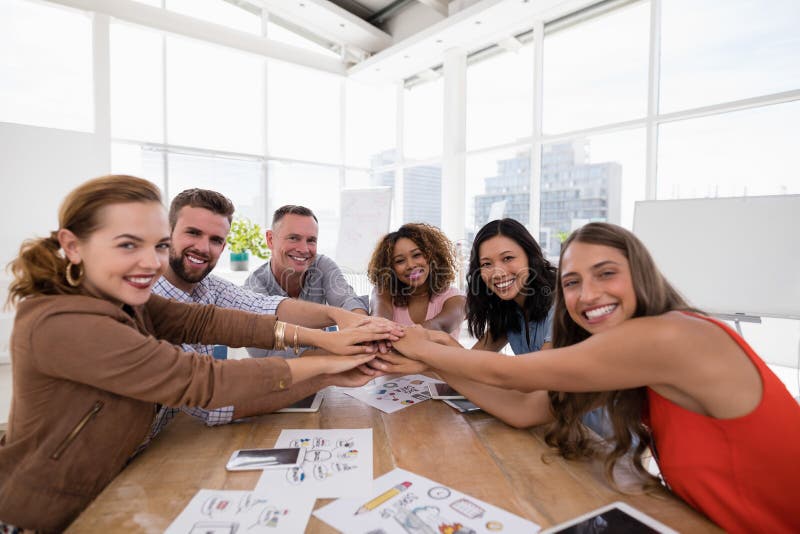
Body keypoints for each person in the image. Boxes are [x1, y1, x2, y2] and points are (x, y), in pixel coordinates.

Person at [0, 175, 397, 532]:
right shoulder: (63, 321)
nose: (149, 262)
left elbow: (208, 321)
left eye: (156, 246)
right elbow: (198, 378)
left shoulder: (124, 299)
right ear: (73, 246)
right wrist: (327, 363)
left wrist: (328, 339)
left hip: (121, 475)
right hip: (47, 512)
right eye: (127, 245)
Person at [388, 222, 800, 533]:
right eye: (573, 282)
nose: (587, 295)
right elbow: (527, 406)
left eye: (606, 273)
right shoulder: (626, 349)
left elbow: (510, 376)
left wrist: (424, 351)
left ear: (642, 272)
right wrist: (434, 358)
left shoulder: (668, 336)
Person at [151, 188, 398, 430]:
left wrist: (349, 321)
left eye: (215, 239)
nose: (204, 248)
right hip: (143, 448)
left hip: (171, 431)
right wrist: (328, 358)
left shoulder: (208, 286)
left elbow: (263, 308)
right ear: (166, 233)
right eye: (193, 233)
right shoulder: (150, 301)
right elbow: (216, 404)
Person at [245, 205, 368, 356]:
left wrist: (364, 329)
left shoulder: (322, 265)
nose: (304, 249)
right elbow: (268, 357)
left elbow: (347, 301)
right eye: (293, 238)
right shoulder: (253, 288)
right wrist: (334, 346)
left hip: (331, 372)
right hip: (283, 378)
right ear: (270, 239)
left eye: (311, 240)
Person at [367, 223, 465, 339]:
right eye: (400, 261)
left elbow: (440, 326)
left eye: (417, 255)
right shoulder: (384, 293)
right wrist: (380, 329)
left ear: (431, 256)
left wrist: (393, 335)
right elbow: (379, 322)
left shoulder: (456, 299)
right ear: (390, 268)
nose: (411, 265)